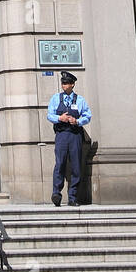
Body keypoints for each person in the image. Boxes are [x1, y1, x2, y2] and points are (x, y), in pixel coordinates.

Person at [46, 71, 92, 207]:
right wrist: (60, 118)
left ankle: (73, 197)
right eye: (62, 83)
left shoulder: (80, 100)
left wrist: (77, 121)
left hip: (75, 135)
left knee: (76, 166)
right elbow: (49, 115)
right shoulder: (55, 98)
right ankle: (56, 194)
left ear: (72, 84)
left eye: (66, 83)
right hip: (61, 135)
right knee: (59, 164)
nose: (64, 85)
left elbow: (88, 116)